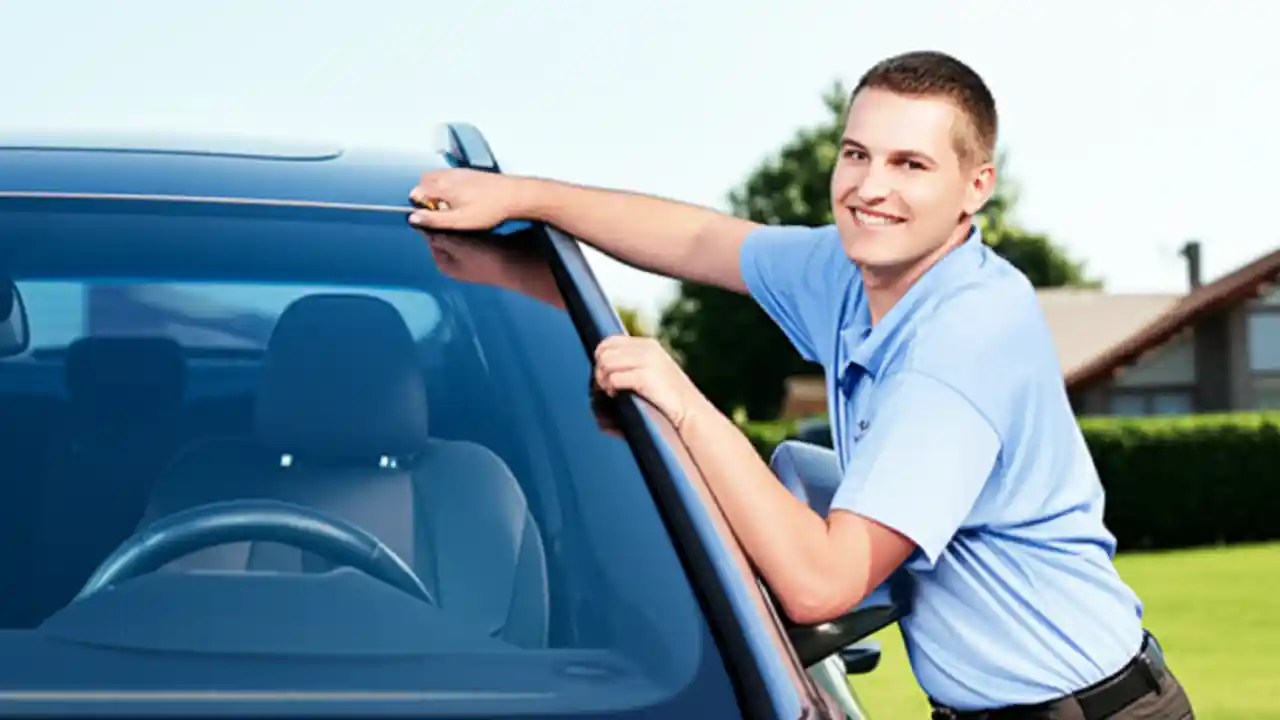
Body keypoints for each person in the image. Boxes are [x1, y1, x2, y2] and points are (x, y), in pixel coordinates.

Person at [407, 50, 1194, 720]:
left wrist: (682, 404)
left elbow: (822, 582)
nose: (869, 188)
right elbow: (702, 239)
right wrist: (526, 198)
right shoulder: (854, 272)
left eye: (910, 164)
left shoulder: (961, 348)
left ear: (975, 186)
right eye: (857, 154)